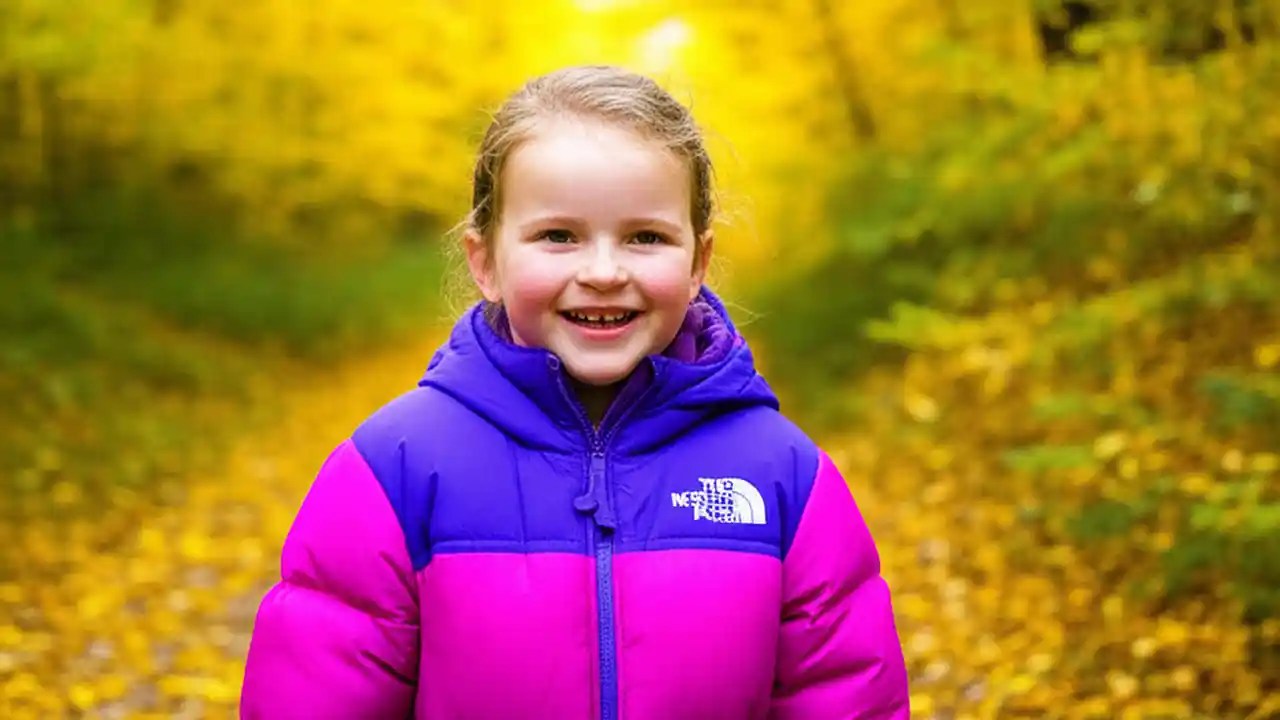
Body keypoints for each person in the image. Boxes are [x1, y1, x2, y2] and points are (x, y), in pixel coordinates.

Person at [240, 64, 909, 719]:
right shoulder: (394, 471)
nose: (604, 271)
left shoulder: (784, 477)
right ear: (486, 262)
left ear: (698, 262)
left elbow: (846, 695)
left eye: (646, 237)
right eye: (558, 236)